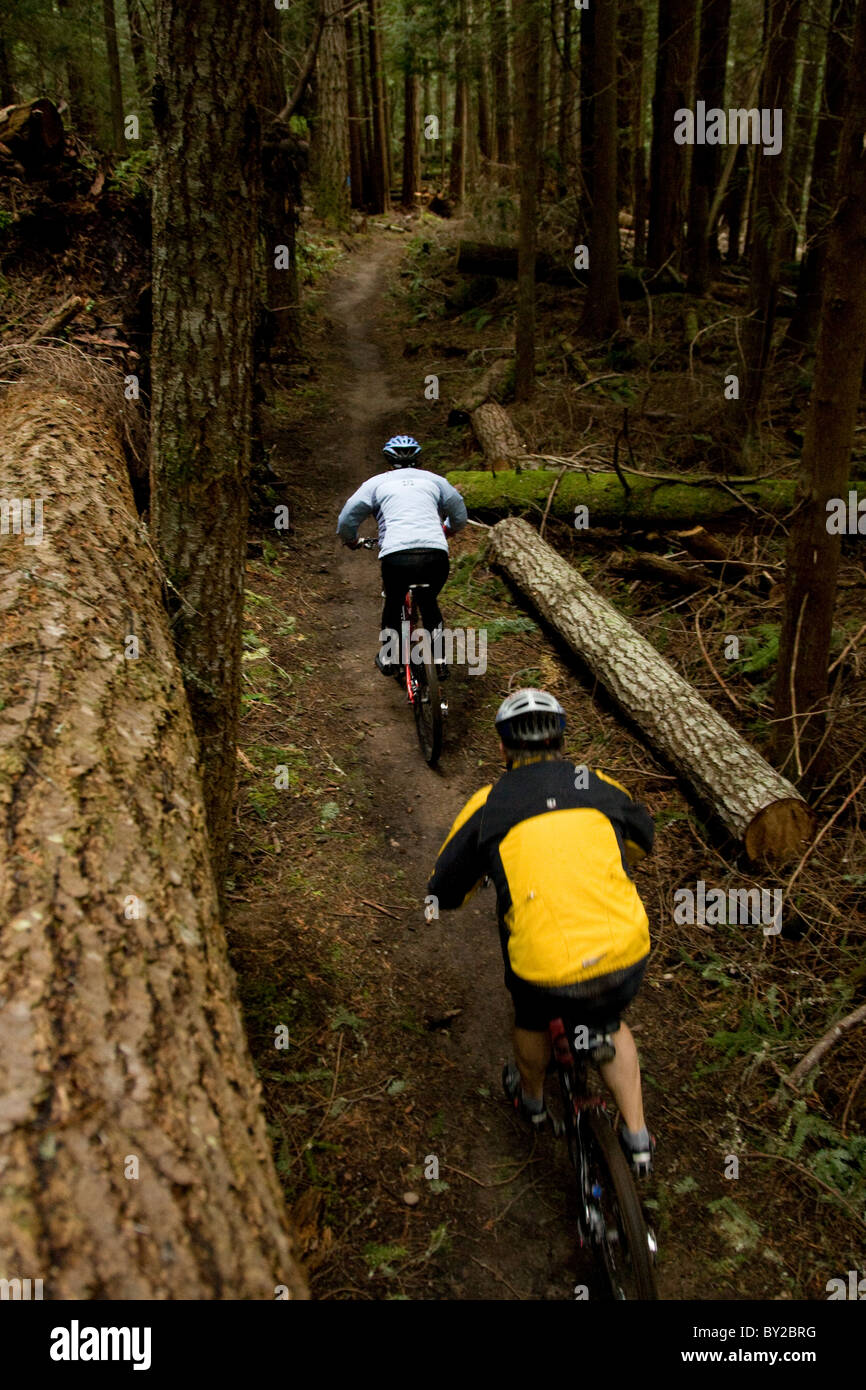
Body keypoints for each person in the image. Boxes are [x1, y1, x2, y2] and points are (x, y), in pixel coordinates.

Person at [426, 688, 656, 1177]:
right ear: (562, 739)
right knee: (610, 1021)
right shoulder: (598, 784)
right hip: (627, 949)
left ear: (504, 749)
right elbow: (642, 840)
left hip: (543, 968)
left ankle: (530, 1098)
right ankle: (637, 1138)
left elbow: (445, 890)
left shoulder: (489, 805)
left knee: (532, 1017)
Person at [336, 436, 468, 679]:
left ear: (388, 461)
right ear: (418, 460)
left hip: (397, 558)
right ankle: (438, 659)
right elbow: (459, 511)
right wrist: (447, 529)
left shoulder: (376, 484)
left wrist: (352, 540)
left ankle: (391, 657)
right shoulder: (435, 481)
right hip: (435, 556)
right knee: (429, 601)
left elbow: (347, 518)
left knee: (394, 601)